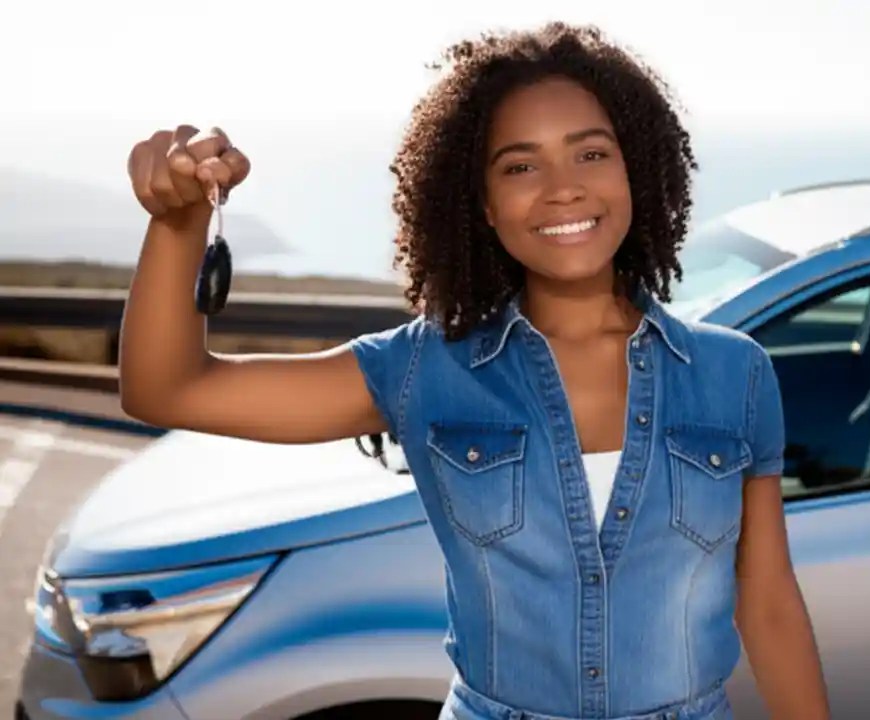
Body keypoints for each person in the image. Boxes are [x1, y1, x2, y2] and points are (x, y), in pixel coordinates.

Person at [119, 22, 829, 720]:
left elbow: (766, 602)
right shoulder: (422, 369)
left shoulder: (736, 374)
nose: (562, 189)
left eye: (591, 154)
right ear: (484, 205)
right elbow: (168, 388)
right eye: (521, 166)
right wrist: (178, 223)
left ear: (634, 169)